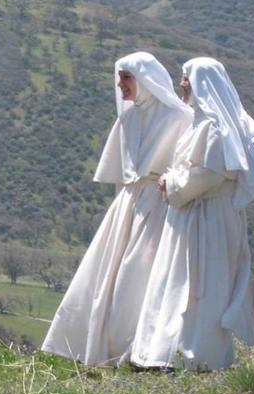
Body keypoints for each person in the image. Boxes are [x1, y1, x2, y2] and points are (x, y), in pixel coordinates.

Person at [41, 52, 193, 366]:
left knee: (139, 278)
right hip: (128, 206)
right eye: (120, 77)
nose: (120, 84)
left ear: (145, 80)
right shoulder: (127, 119)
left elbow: (186, 169)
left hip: (161, 207)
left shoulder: (179, 117)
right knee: (109, 278)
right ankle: (106, 349)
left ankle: (142, 350)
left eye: (127, 78)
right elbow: (123, 173)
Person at [130, 57, 254, 371]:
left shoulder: (217, 127)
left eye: (185, 77)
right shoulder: (202, 122)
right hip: (192, 214)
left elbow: (209, 175)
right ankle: (166, 351)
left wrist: (170, 183)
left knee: (200, 285)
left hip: (208, 218)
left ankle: (196, 355)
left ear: (202, 84)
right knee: (178, 281)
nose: (181, 83)